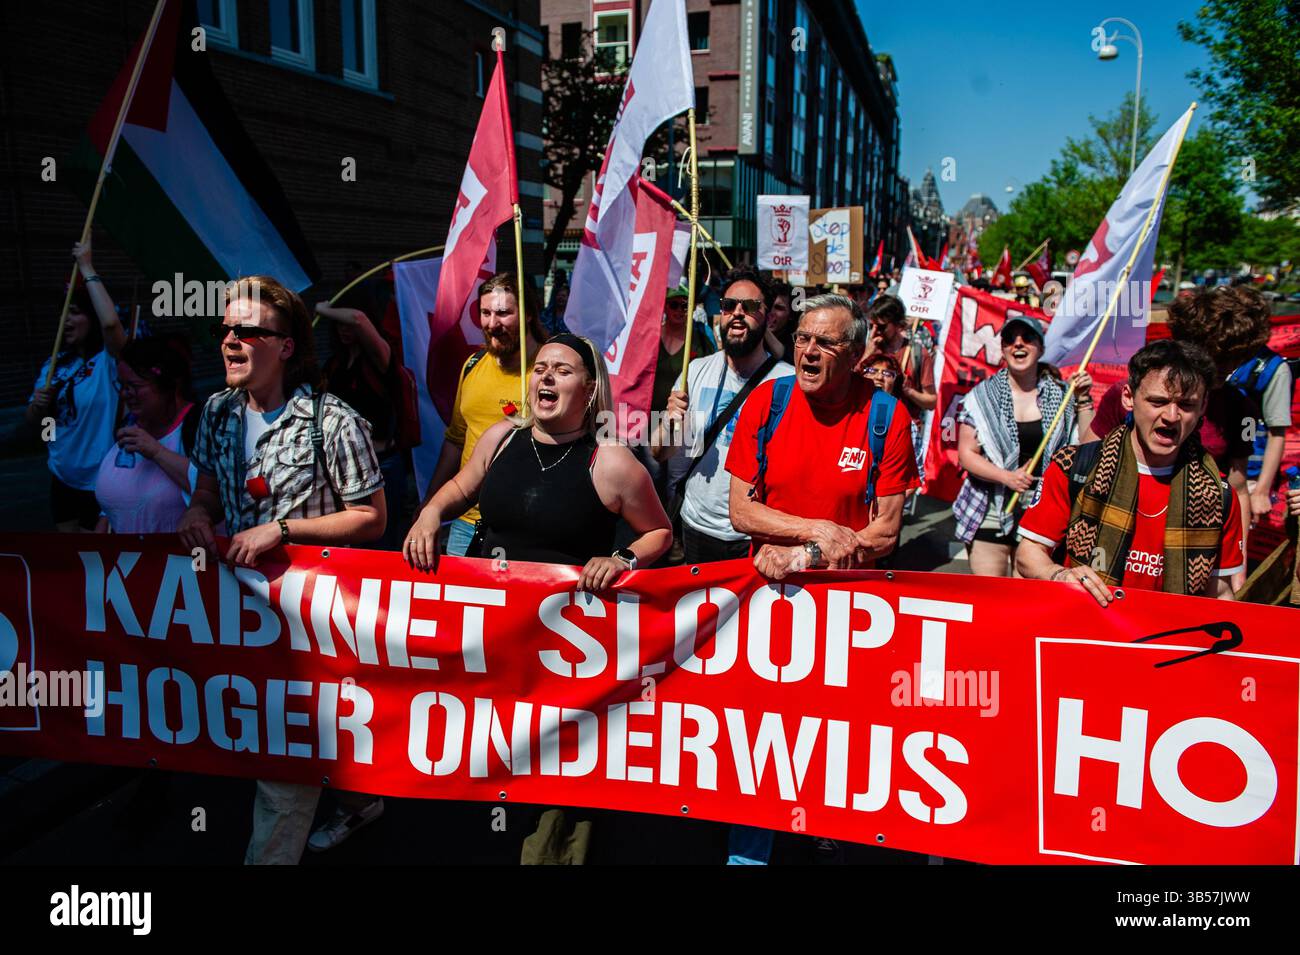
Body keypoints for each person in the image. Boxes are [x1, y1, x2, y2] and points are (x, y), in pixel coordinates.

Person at [177, 275, 386, 865]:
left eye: (248, 330)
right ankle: (357, 795)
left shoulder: (333, 420)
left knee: (282, 762)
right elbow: (208, 491)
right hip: (240, 620)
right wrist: (196, 512)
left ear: (286, 345)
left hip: (310, 625)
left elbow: (371, 517)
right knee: (292, 743)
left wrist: (284, 530)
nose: (230, 341)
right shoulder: (216, 412)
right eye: (225, 330)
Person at [722, 293, 918, 867]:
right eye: (803, 337)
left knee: (833, 735)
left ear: (855, 354)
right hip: (766, 603)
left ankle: (829, 834)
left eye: (825, 342)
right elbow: (742, 511)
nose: (808, 350)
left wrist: (806, 553)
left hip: (848, 616)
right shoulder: (769, 402)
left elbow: (884, 533)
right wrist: (817, 530)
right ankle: (749, 852)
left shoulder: (886, 415)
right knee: (760, 734)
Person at [405, 332, 671, 572]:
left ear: (589, 390)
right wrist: (432, 512)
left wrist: (622, 559)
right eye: (539, 368)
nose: (546, 376)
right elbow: (461, 490)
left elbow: (659, 531)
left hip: (564, 617)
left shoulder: (610, 460)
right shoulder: (500, 437)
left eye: (563, 371)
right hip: (492, 607)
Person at [1016, 339, 1245, 603]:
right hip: (1081, 631)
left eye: (1186, 405)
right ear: (1128, 397)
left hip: (1166, 638)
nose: (1172, 416)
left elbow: (1219, 592)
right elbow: (1029, 553)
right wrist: (1059, 575)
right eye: (1158, 402)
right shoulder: (1074, 468)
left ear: (1203, 406)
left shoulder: (1219, 495)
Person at [1082, 285, 1258, 544]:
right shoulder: (1127, 394)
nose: (1228, 367)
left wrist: (1239, 567)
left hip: (1194, 537)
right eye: (1219, 357)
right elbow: (1086, 460)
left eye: (1236, 358)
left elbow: (1238, 487)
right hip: (1119, 527)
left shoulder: (1243, 408)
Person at [652, 267, 794, 563]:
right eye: (729, 305)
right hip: (697, 526)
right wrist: (670, 421)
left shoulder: (788, 382)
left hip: (756, 536)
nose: (738, 313)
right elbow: (660, 452)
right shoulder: (696, 371)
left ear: (768, 318)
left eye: (750, 307)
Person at [953, 316, 1094, 576]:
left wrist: (1083, 400)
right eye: (1011, 340)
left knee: (1027, 597)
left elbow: (1089, 446)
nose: (1019, 344)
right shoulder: (981, 396)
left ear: (1040, 348)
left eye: (1027, 338)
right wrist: (1007, 477)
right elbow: (966, 454)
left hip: (1044, 506)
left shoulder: (1064, 394)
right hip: (991, 504)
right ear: (1003, 349)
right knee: (989, 596)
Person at [422, 272, 545, 556]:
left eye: (503, 313)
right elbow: (456, 440)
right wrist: (430, 502)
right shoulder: (472, 364)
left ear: (528, 314)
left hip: (526, 524)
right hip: (466, 522)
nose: (492, 324)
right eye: (485, 313)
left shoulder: (547, 372)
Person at [26, 241, 128, 531]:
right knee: (70, 564)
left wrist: (86, 266)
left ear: (91, 318)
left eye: (73, 312)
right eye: (62, 314)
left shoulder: (109, 360)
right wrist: (38, 408)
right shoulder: (54, 364)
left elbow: (110, 324)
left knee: (95, 565)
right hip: (61, 478)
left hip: (99, 482)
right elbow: (38, 423)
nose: (64, 321)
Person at [316, 287, 408, 551]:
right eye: (337, 325)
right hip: (341, 470)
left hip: (382, 465)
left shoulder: (381, 357)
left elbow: (357, 317)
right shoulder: (334, 365)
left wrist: (323, 309)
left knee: (381, 545)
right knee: (346, 547)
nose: (344, 330)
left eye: (347, 325)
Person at [93, 336, 200, 534]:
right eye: (122, 385)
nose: (125, 394)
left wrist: (156, 452)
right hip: (127, 561)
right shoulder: (130, 424)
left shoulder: (199, 425)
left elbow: (214, 489)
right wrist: (105, 517)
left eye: (135, 386)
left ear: (168, 384)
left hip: (181, 561)